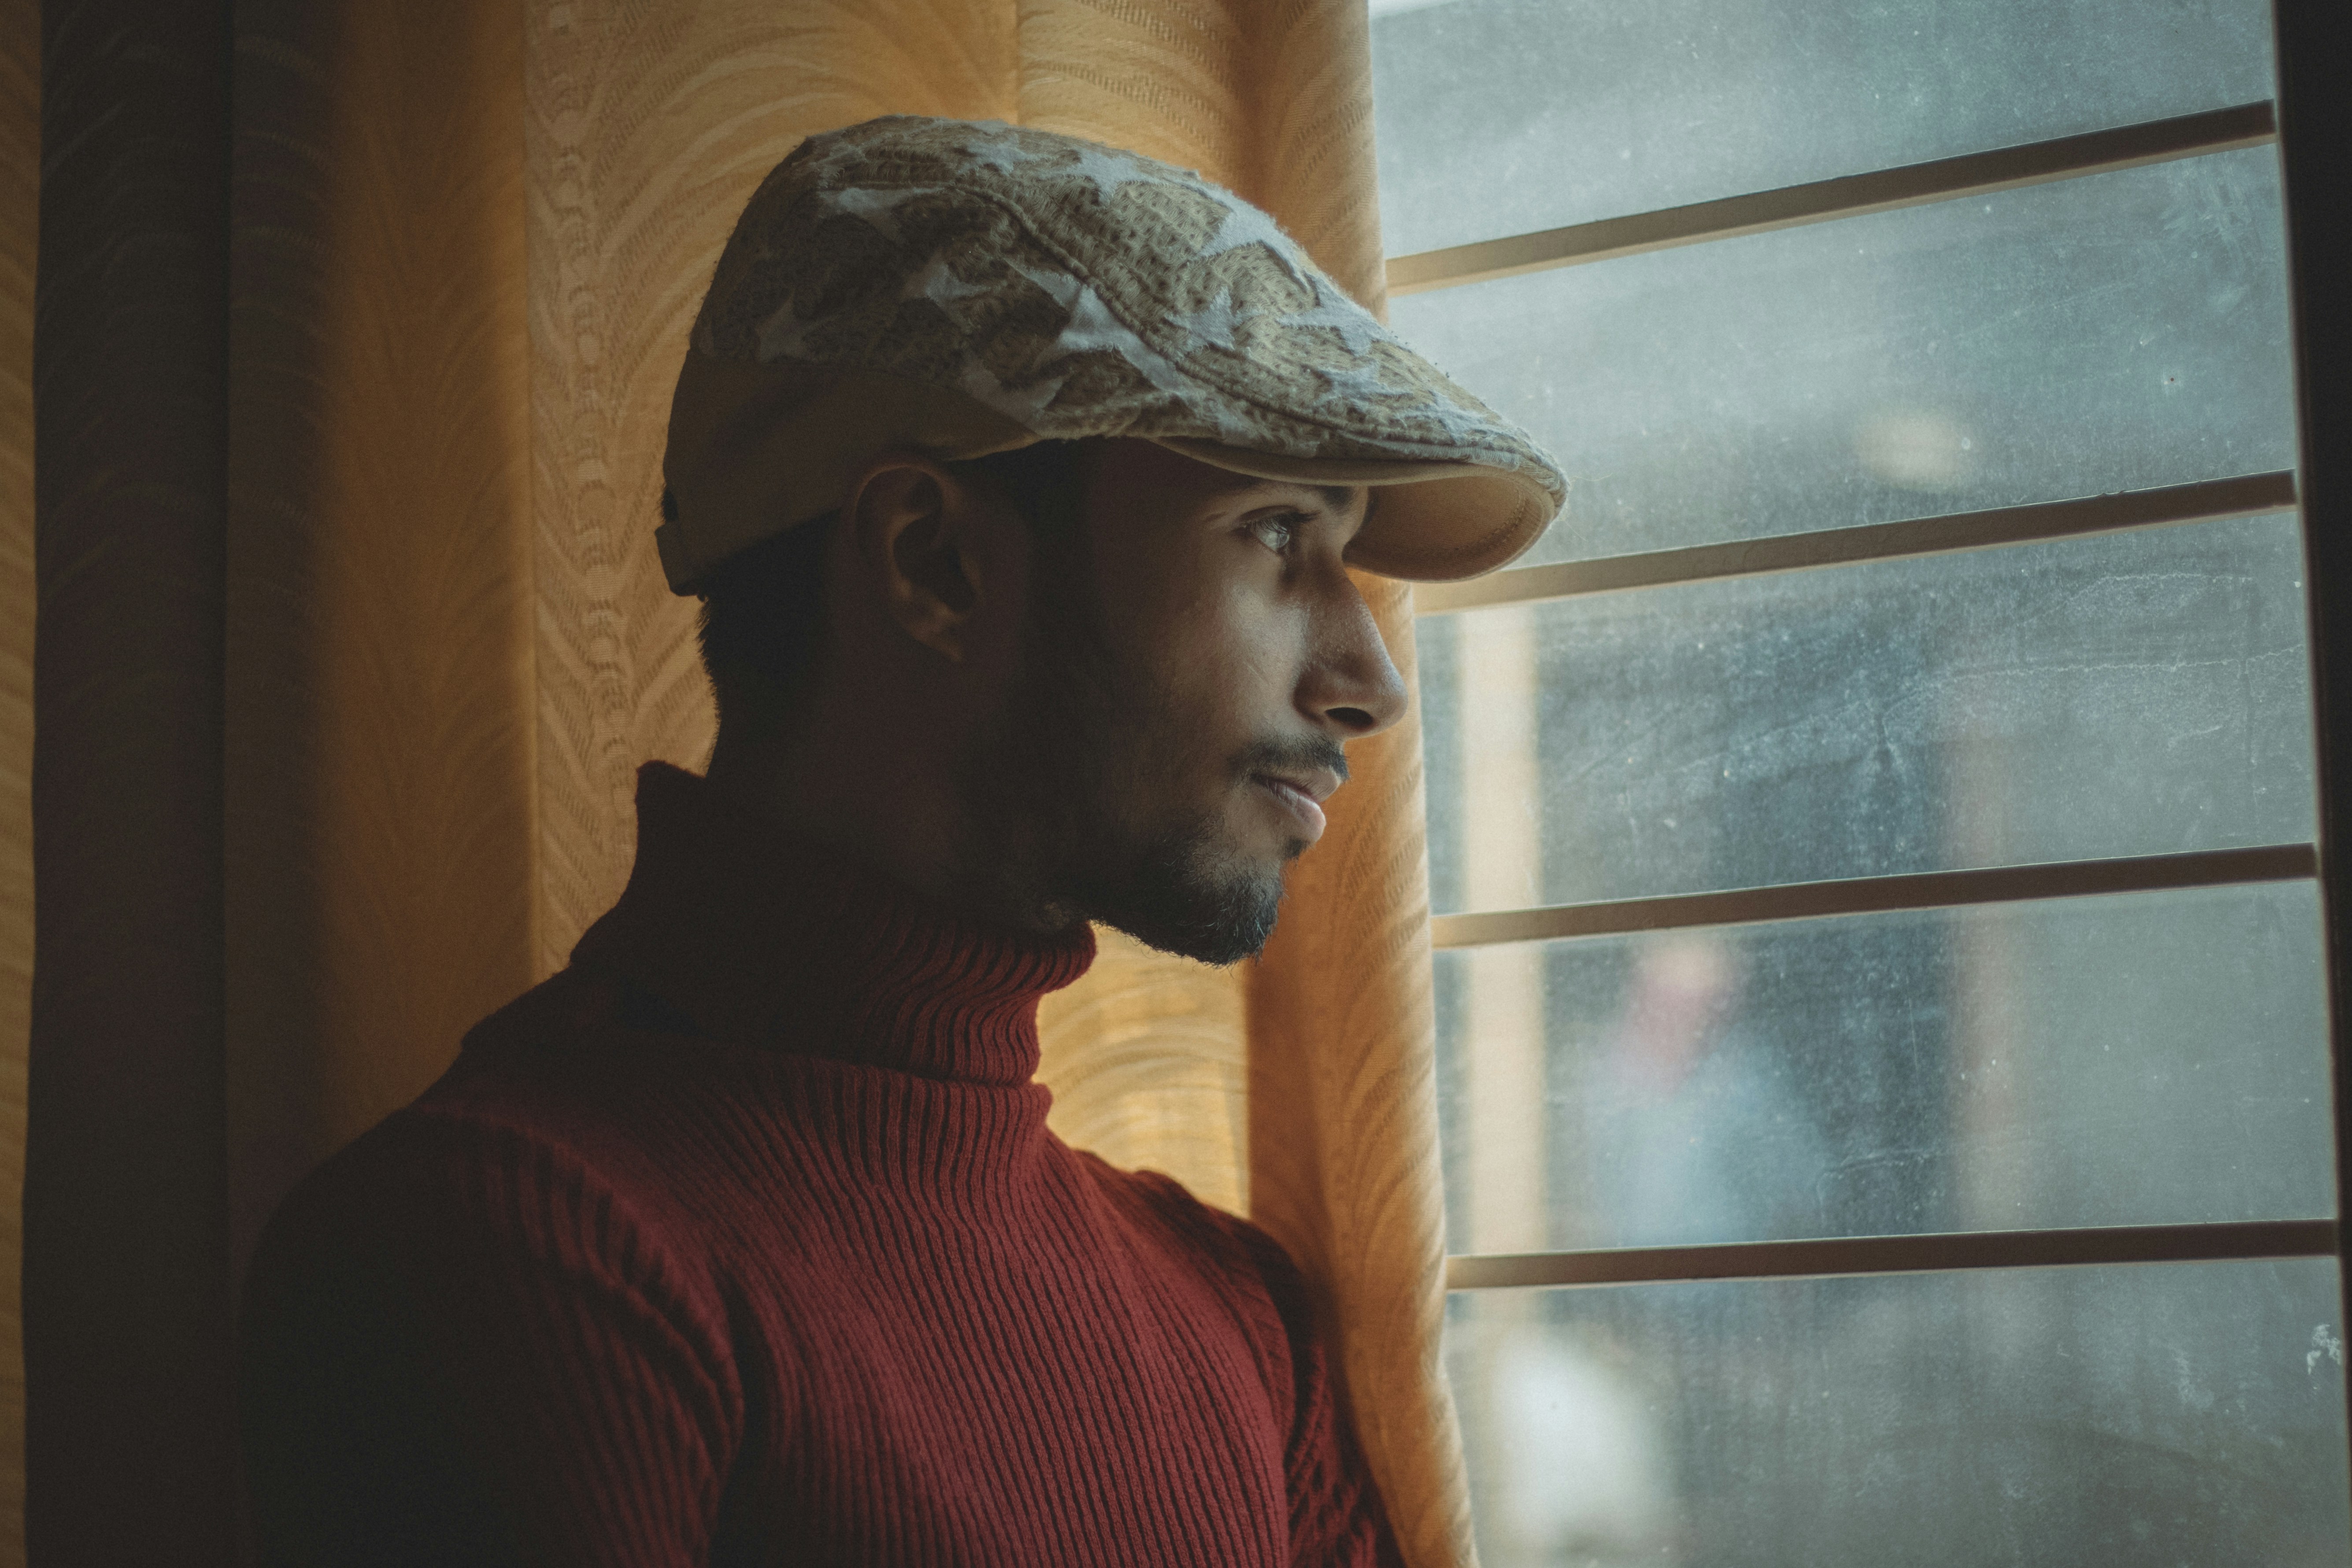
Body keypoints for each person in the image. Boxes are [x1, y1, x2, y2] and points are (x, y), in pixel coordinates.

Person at [237, 114, 1564, 1566]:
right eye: (1271, 533)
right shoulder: (506, 1255)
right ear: (932, 561)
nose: (1367, 683)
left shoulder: (1231, 1317)